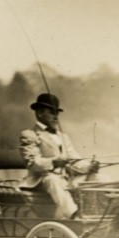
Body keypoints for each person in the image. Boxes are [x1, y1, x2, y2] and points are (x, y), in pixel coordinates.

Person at [19, 92, 98, 221]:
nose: (56, 116)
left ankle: (102, 213)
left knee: (98, 177)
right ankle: (73, 215)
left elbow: (75, 160)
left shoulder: (63, 137)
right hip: (41, 181)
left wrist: (89, 166)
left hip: (66, 180)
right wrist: (54, 162)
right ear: (39, 113)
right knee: (53, 180)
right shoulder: (29, 135)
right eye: (51, 112)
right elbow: (32, 163)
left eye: (57, 113)